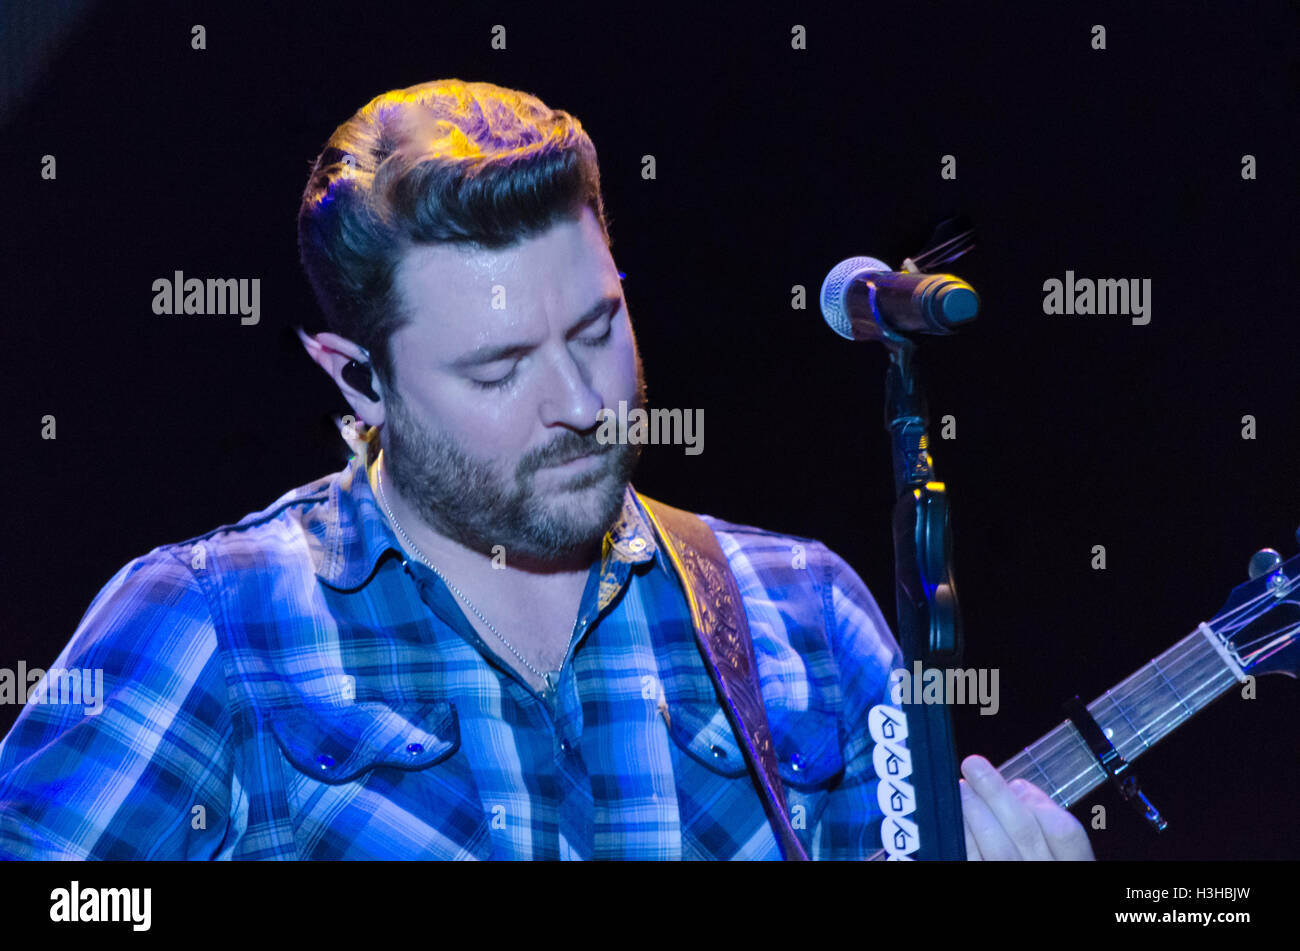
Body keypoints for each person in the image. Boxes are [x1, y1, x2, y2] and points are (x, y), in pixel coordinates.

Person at [0, 79, 1092, 860]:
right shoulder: (212, 623)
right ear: (356, 378)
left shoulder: (801, 615)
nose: (580, 404)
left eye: (595, 326)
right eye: (498, 367)